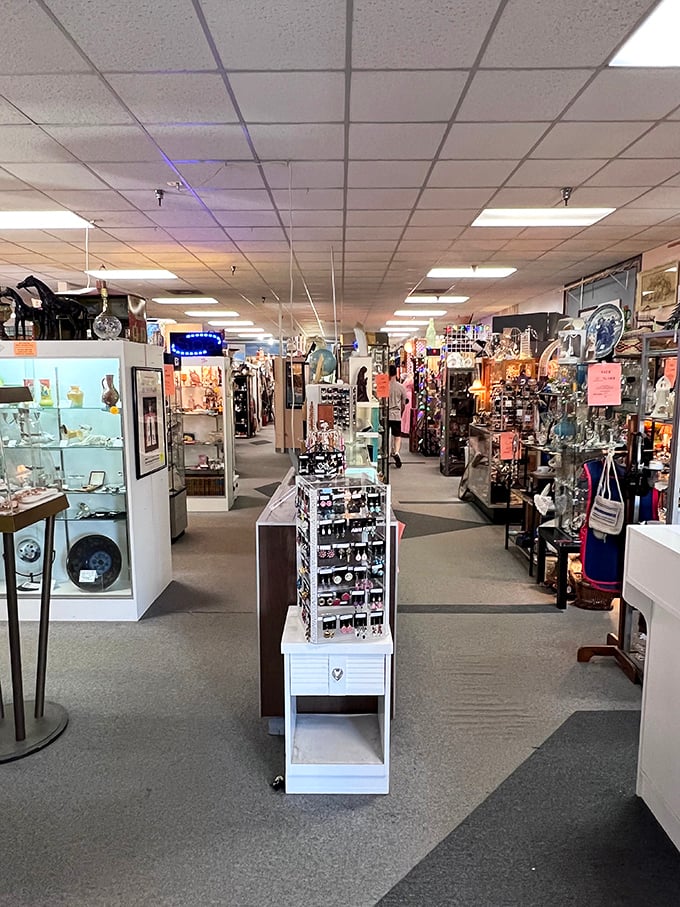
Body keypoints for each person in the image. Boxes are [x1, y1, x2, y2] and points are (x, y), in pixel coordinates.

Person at [388, 364, 408, 468]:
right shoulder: (401, 387)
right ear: (396, 373)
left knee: (386, 434)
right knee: (397, 436)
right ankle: (396, 452)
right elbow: (404, 403)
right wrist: (401, 412)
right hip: (396, 414)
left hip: (386, 414)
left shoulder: (384, 386)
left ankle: (385, 452)